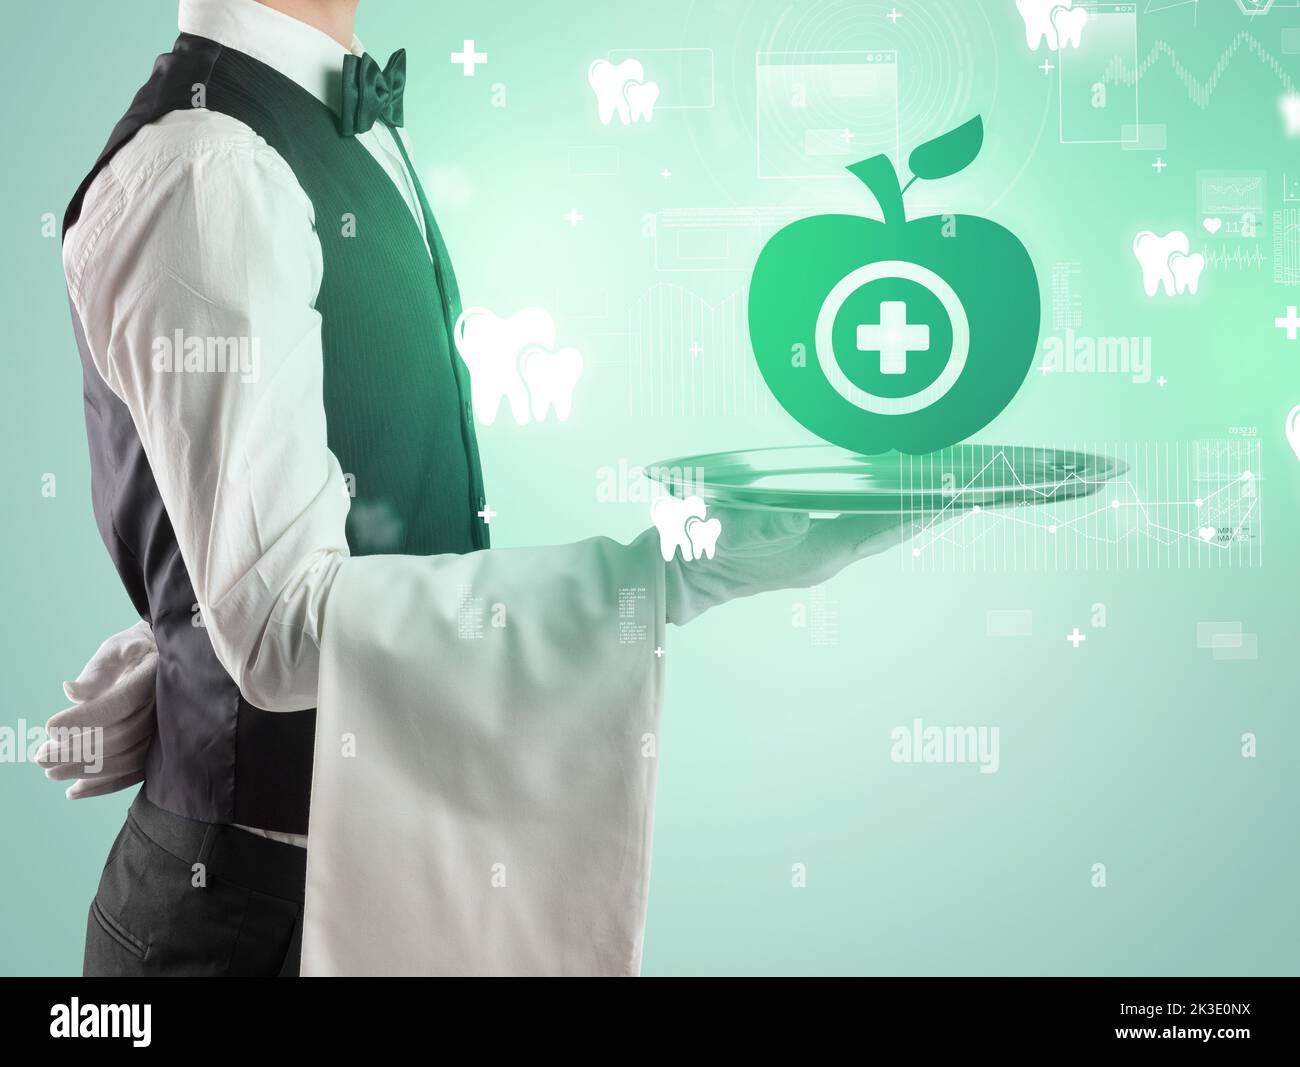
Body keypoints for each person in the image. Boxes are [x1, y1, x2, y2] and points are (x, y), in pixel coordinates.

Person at [51, 0, 907, 976]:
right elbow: (281, 621)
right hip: (257, 919)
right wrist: (662, 578)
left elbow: (276, 530)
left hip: (370, 869)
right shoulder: (212, 163)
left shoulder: (316, 110)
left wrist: (180, 647)